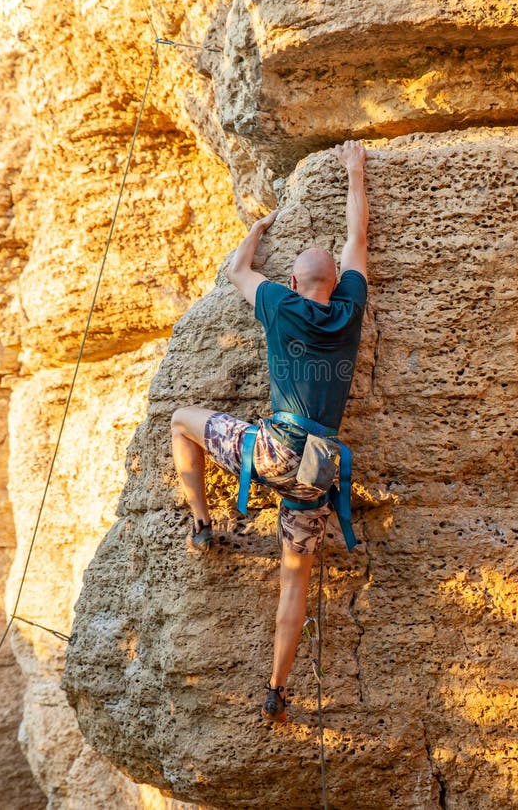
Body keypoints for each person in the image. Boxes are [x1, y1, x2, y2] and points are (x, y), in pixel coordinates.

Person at [171, 140, 369, 722]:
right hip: (318, 472)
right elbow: (358, 239)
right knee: (294, 582)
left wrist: (255, 230)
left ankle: (202, 524)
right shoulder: (350, 308)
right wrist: (356, 173)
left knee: (181, 420)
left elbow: (238, 270)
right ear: (336, 280)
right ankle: (276, 692)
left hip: (271, 450)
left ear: (293, 279)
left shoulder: (280, 304)